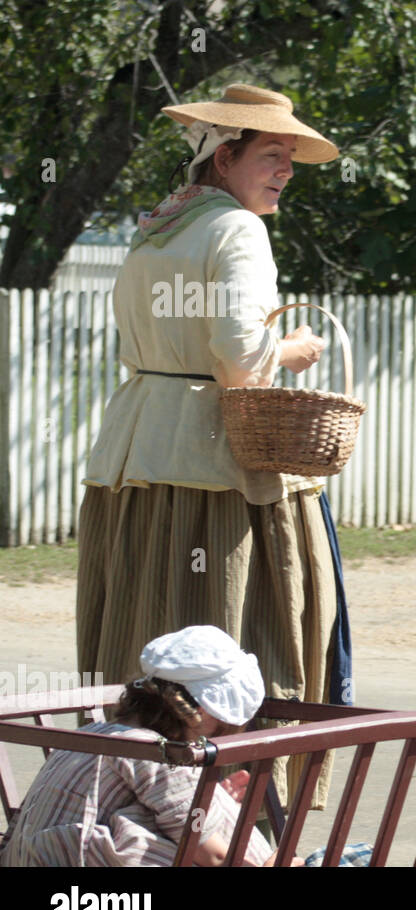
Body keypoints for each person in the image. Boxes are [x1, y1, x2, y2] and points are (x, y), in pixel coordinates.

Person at [76, 84, 344, 810]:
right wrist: (290, 348)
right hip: (212, 459)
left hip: (138, 448)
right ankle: (232, 803)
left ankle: (124, 783)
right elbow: (238, 359)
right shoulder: (234, 229)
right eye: (272, 156)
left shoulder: (156, 227)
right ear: (225, 157)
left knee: (142, 609)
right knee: (230, 613)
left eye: (290, 159)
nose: (286, 171)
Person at [0, 626, 296, 866]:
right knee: (176, 833)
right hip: (82, 888)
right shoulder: (160, 754)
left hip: (27, 858)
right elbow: (214, 857)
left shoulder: (93, 733)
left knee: (186, 811)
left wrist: (213, 802)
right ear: (203, 710)